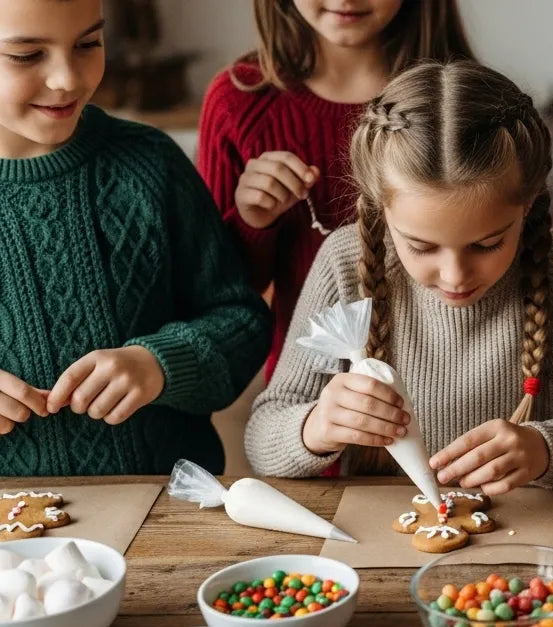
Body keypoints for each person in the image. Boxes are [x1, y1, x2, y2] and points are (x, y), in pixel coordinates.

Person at [246, 61, 553, 495]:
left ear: (528, 204)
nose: (455, 276)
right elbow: (261, 438)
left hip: (533, 529)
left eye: (487, 244)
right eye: (422, 247)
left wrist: (544, 450)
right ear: (380, 208)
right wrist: (314, 427)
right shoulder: (344, 261)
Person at [0, 0, 271, 475]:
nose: (67, 79)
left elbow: (241, 322)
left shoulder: (149, 163)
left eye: (88, 44)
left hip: (168, 499)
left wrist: (160, 364)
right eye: (27, 55)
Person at [198, 0, 473, 377]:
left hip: (451, 381)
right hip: (308, 389)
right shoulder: (238, 101)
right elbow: (218, 295)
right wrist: (253, 221)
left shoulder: (462, 102)